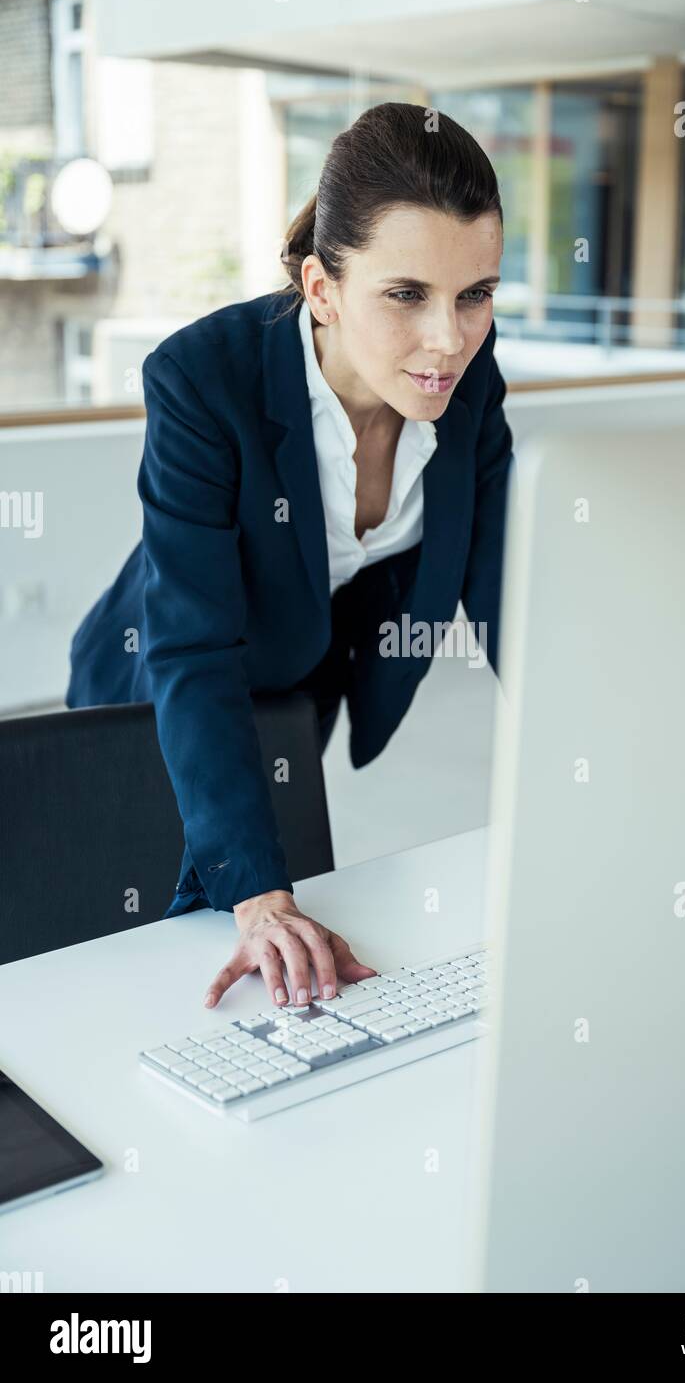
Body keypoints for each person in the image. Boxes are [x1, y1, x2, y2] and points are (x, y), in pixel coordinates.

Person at [65, 101, 514, 1013]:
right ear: (320, 288)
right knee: (142, 970)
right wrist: (258, 893)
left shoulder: (467, 371)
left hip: (291, 691)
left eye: (475, 294)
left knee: (293, 988)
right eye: (406, 295)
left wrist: (599, 775)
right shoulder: (202, 380)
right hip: (158, 691)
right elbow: (190, 647)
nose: (449, 339)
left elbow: (515, 598)